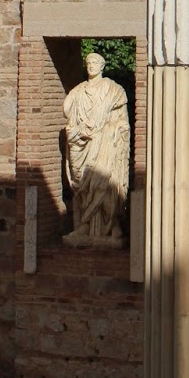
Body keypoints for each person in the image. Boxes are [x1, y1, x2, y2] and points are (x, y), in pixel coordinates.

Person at [61, 53, 130, 246]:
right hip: (83, 144)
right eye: (88, 62)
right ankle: (85, 225)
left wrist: (112, 129)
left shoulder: (114, 90)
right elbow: (66, 110)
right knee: (83, 184)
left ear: (102, 66)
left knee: (105, 184)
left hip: (106, 145)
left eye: (95, 63)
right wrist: (78, 130)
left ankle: (112, 224)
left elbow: (123, 122)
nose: (91, 65)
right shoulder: (78, 91)